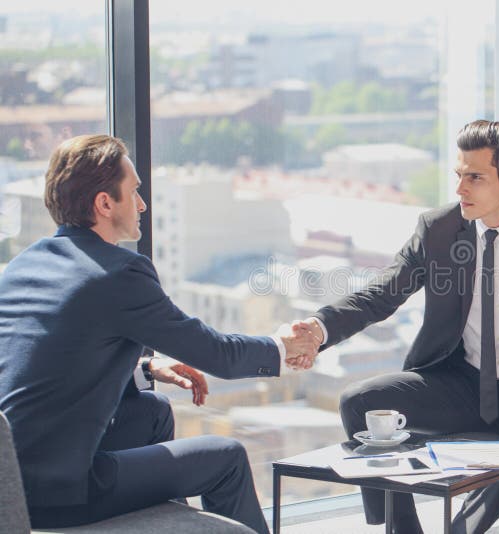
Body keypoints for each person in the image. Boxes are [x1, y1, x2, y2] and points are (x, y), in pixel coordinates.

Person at [287, 120, 499, 533]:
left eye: (474, 178)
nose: (460, 189)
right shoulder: (438, 230)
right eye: (459, 175)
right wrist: (319, 330)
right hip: (462, 381)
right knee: (360, 403)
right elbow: (383, 292)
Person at [0, 134, 318, 533]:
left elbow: (45, 360)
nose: (142, 205)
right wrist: (281, 347)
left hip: (12, 479)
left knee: (152, 411)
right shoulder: (117, 273)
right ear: (104, 203)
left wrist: (146, 368)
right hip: (62, 493)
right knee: (228, 456)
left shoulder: (24, 265)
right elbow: (216, 352)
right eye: (133, 191)